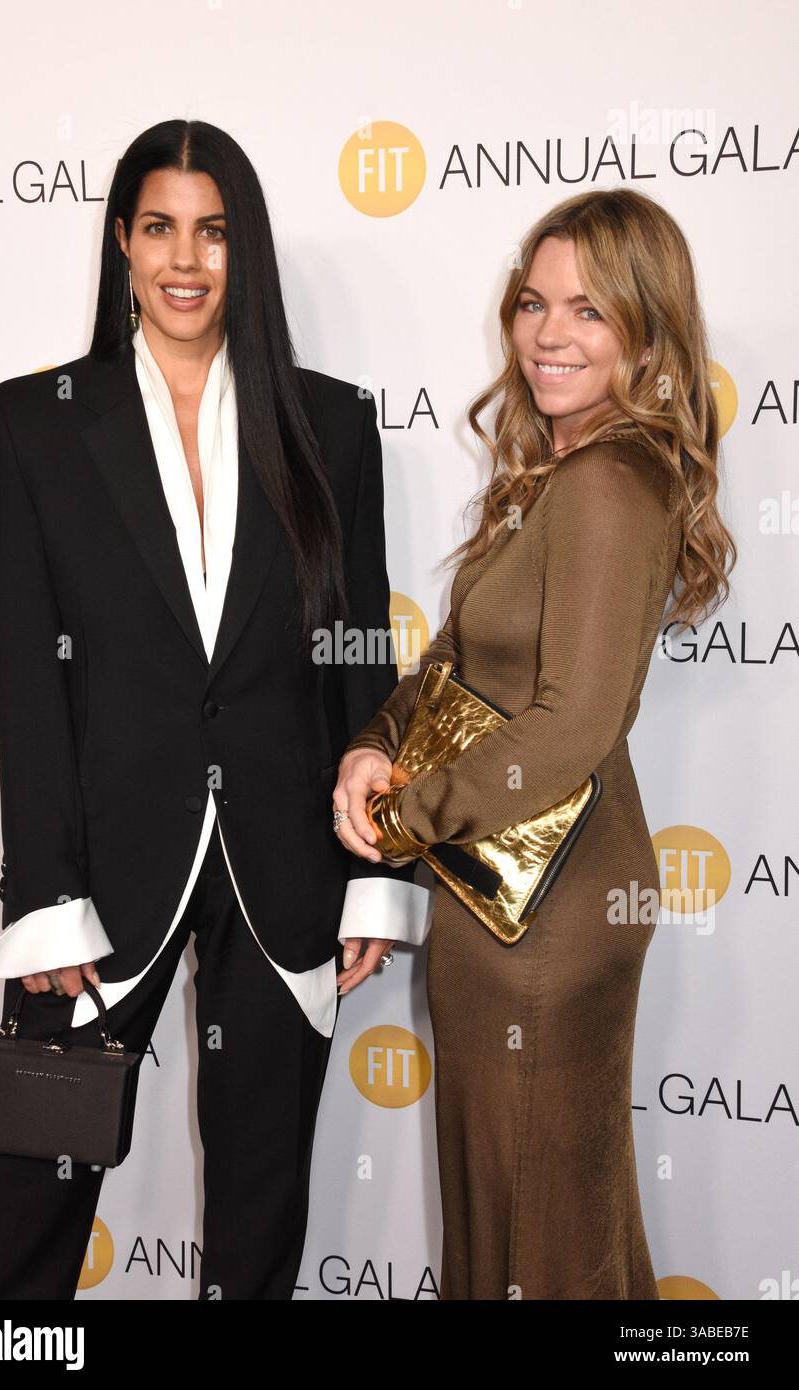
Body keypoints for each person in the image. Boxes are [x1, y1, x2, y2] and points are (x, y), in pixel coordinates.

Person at [0, 118, 430, 1301]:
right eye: (159, 226)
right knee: (31, 1196)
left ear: (243, 249)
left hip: (288, 859)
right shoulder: (37, 419)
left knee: (263, 1207)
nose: (184, 258)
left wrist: (377, 873)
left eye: (212, 230)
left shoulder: (327, 421)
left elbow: (356, 654)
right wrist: (45, 895)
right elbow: (29, 672)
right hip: (101, 874)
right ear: (120, 240)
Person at [333, 188, 736, 1300]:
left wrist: (398, 820)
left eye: (588, 311)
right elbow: (451, 669)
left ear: (646, 333)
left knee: (540, 1236)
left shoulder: (608, 481)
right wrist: (373, 745)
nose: (548, 333)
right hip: (498, 889)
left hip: (546, 915)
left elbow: (573, 724)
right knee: (540, 1213)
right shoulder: (553, 476)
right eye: (532, 303)